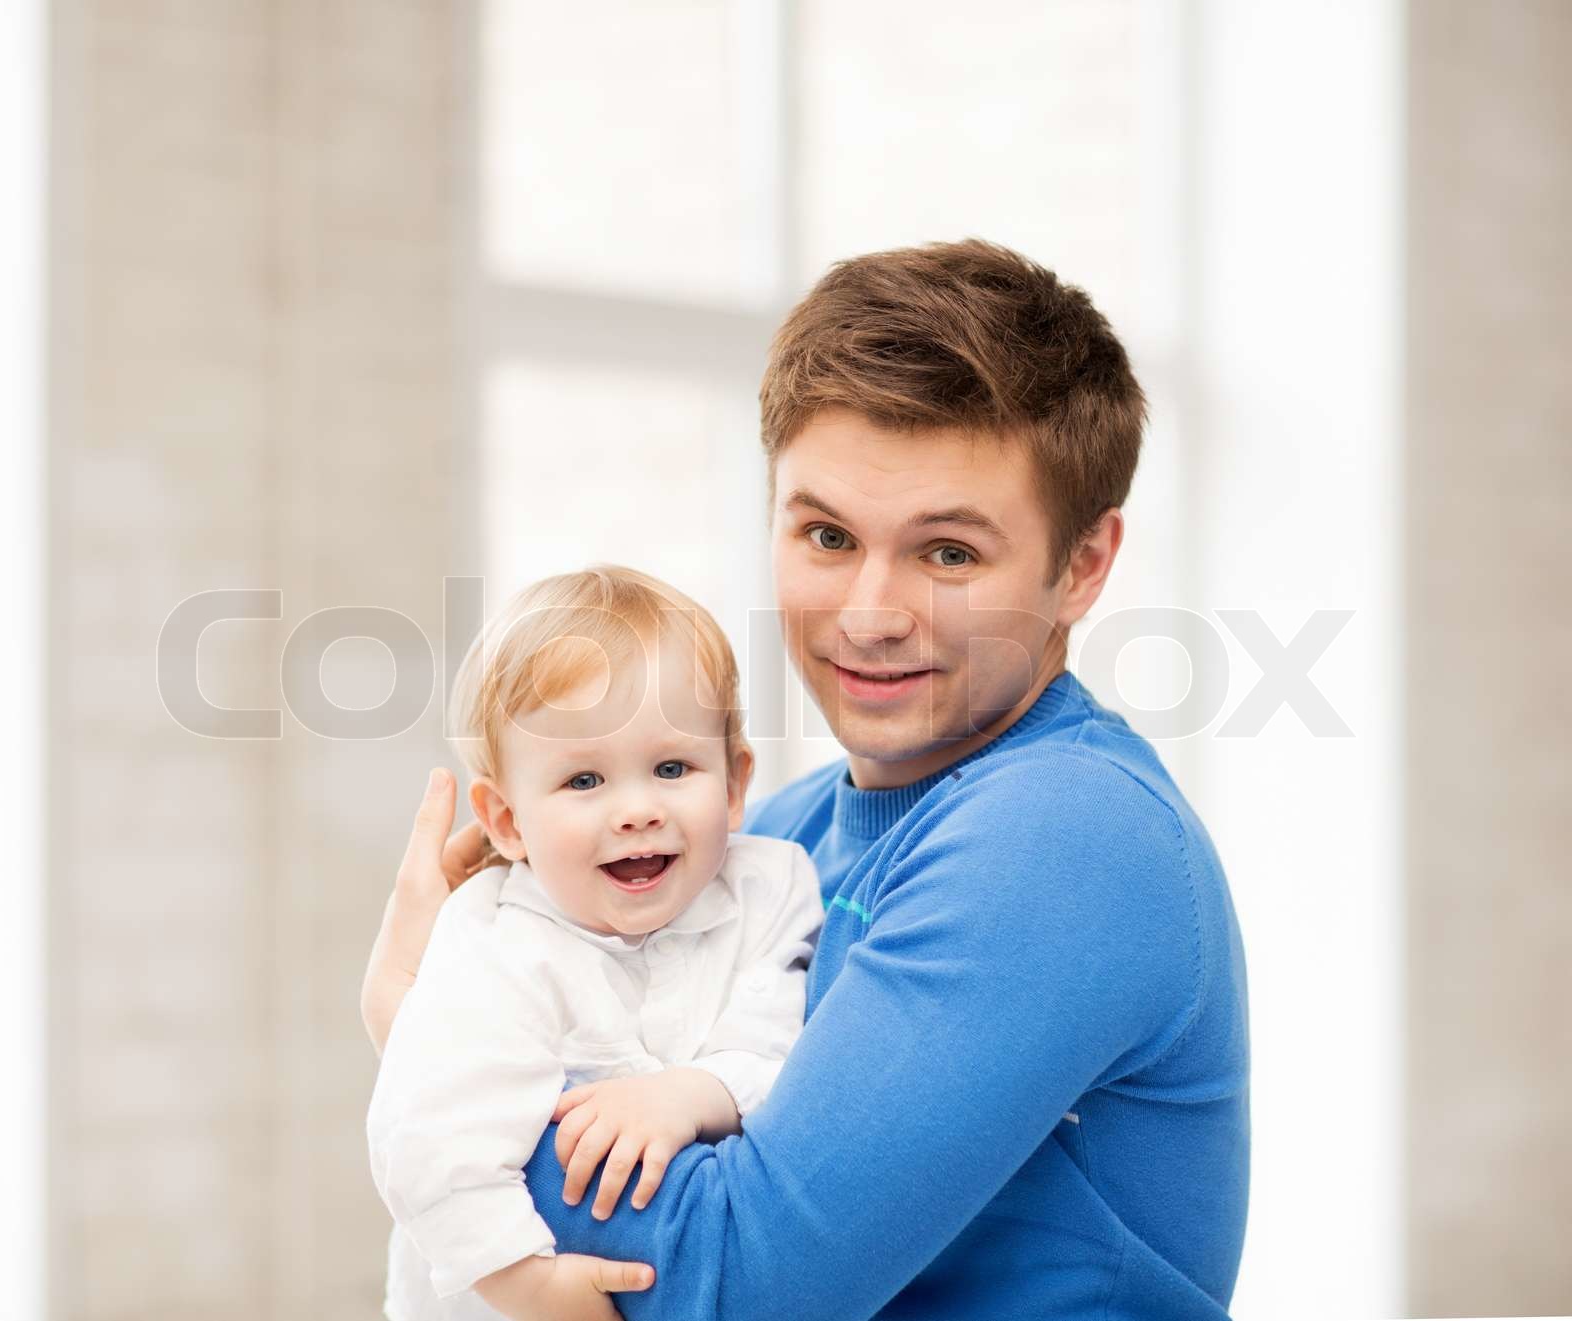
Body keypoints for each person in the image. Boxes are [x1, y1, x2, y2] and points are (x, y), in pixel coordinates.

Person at [362, 239, 1250, 1320]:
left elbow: (739, 1279)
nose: (870, 613)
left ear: (1083, 566)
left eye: (949, 554)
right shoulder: (772, 841)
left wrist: (427, 1038)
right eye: (826, 534)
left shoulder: (1064, 834)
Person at [367, 566, 824, 1321]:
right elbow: (427, 1138)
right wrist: (528, 1285)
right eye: (584, 780)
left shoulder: (769, 890)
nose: (639, 808)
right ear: (508, 821)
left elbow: (791, 1056)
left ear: (737, 784)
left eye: (673, 767)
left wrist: (691, 1094)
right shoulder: (495, 944)